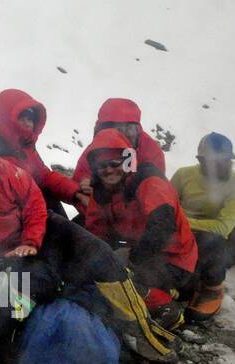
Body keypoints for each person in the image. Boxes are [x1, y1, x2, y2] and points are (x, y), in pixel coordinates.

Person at [0, 133, 178, 364]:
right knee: (23, 297)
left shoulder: (2, 169)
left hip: (39, 232)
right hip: (5, 256)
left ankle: (141, 331)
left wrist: (31, 241)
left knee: (100, 255)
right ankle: (2, 349)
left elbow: (34, 201)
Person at [77, 130, 200, 329]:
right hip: (142, 250)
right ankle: (163, 290)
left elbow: (162, 228)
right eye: (102, 166)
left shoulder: (149, 182)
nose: (108, 170)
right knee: (96, 272)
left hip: (175, 258)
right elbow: (96, 230)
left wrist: (130, 263)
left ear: (127, 161)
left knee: (117, 279)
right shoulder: (102, 192)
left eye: (114, 163)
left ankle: (165, 307)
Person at [0, 89, 83, 211]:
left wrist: (76, 192)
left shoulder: (25, 145)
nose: (27, 123)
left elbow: (43, 176)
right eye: (21, 118)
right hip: (4, 215)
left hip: (31, 208)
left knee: (50, 195)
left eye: (30, 119)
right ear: (6, 118)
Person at [169, 133, 235, 322]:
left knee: (212, 240)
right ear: (201, 160)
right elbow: (166, 208)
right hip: (177, 235)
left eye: (226, 160)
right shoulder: (183, 175)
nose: (223, 164)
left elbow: (223, 227)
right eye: (216, 161)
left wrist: (183, 222)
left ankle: (212, 289)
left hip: (209, 242)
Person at [72, 98, 166, 193]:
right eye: (114, 128)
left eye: (128, 128)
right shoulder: (96, 148)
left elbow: (154, 188)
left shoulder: (150, 151)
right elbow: (79, 177)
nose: (121, 135)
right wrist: (87, 184)